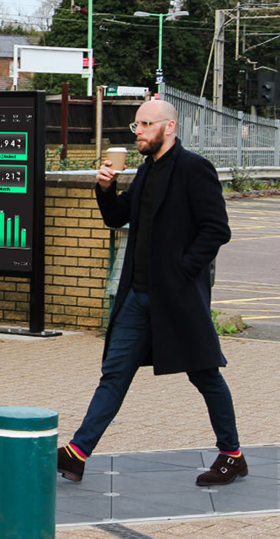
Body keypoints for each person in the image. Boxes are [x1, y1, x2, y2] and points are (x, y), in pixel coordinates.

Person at [58, 99, 246, 487]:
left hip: (176, 298)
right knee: (114, 374)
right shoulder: (147, 170)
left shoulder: (195, 169)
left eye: (146, 124)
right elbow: (117, 217)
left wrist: (182, 270)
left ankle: (232, 455)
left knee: (205, 374)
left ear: (169, 127)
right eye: (136, 125)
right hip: (137, 298)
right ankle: (77, 454)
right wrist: (106, 189)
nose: (138, 131)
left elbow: (217, 229)